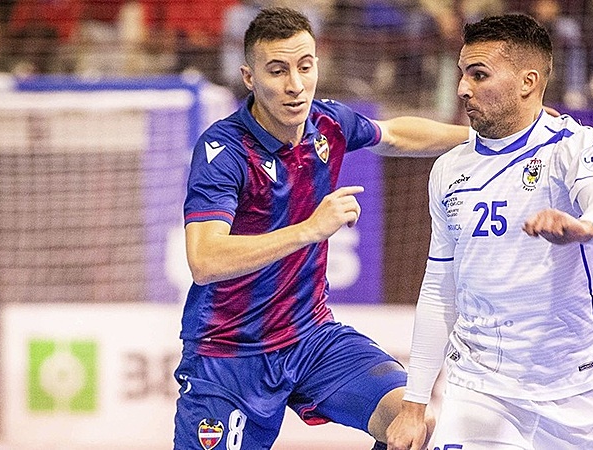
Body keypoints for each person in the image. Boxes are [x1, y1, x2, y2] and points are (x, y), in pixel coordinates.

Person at [175, 6, 471, 450]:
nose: (295, 85)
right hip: (229, 353)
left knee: (414, 423)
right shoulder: (224, 150)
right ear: (249, 77)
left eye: (304, 66)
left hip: (311, 338)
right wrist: (309, 228)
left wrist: (488, 137)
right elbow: (205, 260)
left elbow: (395, 134)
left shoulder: (327, 124)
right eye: (277, 70)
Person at [386, 14, 593, 450]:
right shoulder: (449, 169)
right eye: (462, 74)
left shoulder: (574, 146)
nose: (463, 89)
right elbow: (440, 286)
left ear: (527, 82)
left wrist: (583, 227)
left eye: (479, 75)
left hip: (574, 387)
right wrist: (414, 404)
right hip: (479, 386)